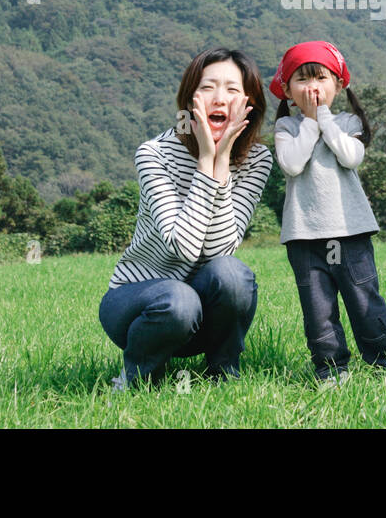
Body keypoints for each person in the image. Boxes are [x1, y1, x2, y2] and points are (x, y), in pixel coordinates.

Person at [98, 47, 273, 389]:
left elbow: (222, 250)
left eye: (232, 89)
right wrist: (207, 160)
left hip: (203, 310)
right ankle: (137, 380)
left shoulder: (257, 160)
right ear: (190, 98)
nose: (219, 98)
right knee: (179, 299)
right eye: (208, 87)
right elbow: (183, 247)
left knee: (234, 275)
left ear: (248, 104)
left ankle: (223, 374)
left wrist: (221, 162)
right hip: (137, 305)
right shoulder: (154, 155)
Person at [272, 41, 386, 385]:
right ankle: (330, 370)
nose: (312, 87)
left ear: (338, 85)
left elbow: (351, 157)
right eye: (302, 80)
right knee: (318, 311)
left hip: (350, 231)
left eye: (321, 78)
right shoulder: (287, 128)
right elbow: (291, 163)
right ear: (287, 90)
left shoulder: (348, 122)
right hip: (304, 237)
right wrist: (311, 123)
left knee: (364, 301)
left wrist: (325, 119)